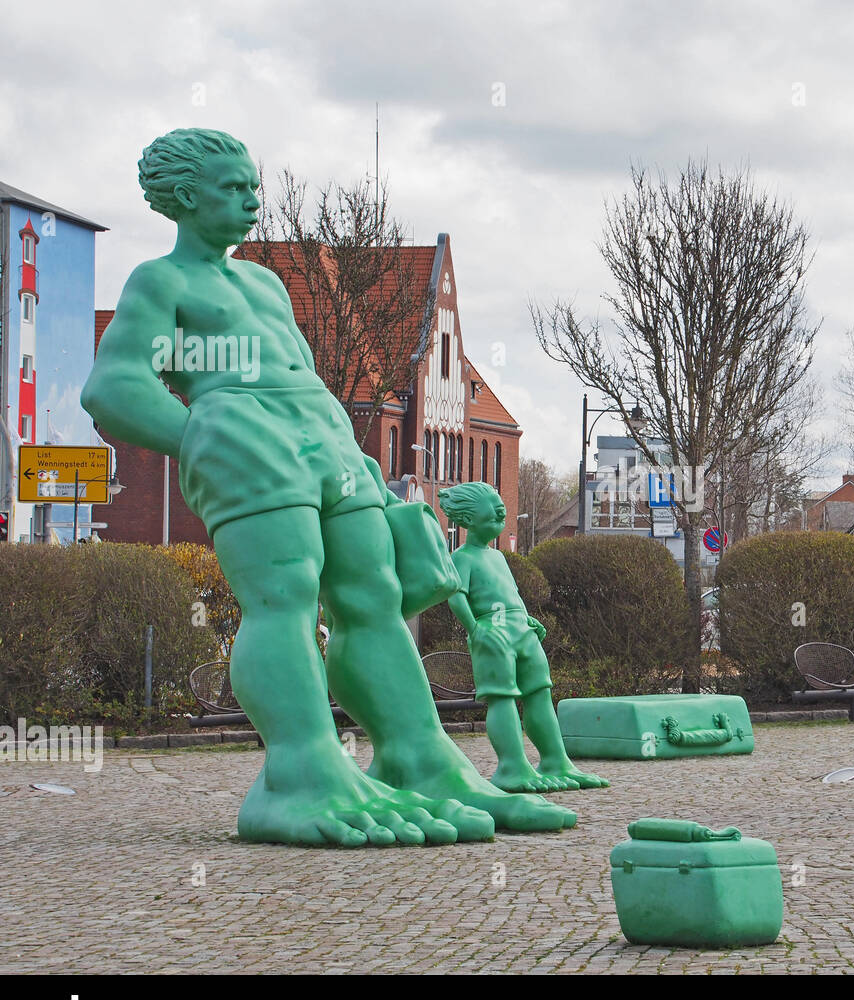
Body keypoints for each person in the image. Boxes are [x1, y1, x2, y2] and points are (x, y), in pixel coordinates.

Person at [82, 128, 576, 845]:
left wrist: (353, 449)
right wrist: (199, 435)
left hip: (329, 444)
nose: (253, 200)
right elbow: (114, 385)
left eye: (255, 185)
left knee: (372, 599)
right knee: (282, 598)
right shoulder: (162, 282)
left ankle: (419, 757)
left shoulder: (266, 283)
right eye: (233, 188)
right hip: (251, 446)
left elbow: (305, 375)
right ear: (185, 197)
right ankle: (298, 772)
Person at [438, 481, 608, 793]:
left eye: (500, 508)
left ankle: (556, 760)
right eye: (491, 509)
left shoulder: (499, 557)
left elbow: (509, 594)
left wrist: (526, 617)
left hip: (521, 629)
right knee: (502, 697)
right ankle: (512, 767)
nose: (499, 513)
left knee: (539, 694)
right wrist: (475, 629)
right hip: (492, 631)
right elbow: (456, 597)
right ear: (466, 519)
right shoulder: (463, 558)